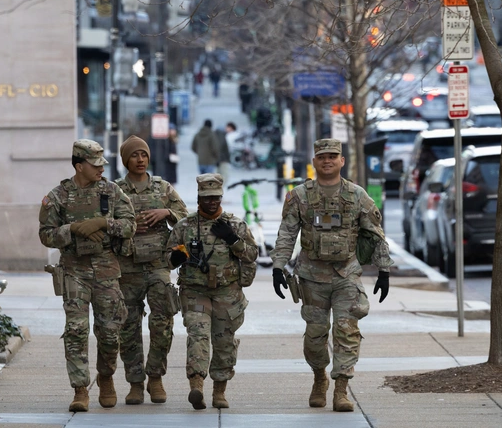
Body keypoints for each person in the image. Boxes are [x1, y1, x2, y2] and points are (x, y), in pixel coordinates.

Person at [270, 138, 393, 412]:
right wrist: (278, 266)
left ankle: (341, 389)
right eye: (322, 157)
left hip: (346, 275)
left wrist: (384, 270)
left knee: (347, 331)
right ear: (314, 161)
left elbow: (375, 233)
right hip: (312, 278)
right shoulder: (299, 196)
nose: (327, 161)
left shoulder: (357, 195)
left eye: (333, 156)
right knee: (315, 336)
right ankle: (319, 378)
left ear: (341, 161)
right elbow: (287, 233)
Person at [38, 139, 136, 412]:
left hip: (106, 270)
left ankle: (106, 376)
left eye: (102, 164)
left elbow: (130, 225)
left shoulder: (112, 192)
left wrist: (104, 223)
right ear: (79, 166)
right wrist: (72, 229)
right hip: (74, 271)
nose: (101, 169)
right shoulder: (58, 196)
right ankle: (80, 389)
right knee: (76, 331)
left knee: (110, 331)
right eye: (95, 165)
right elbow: (45, 235)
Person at [167, 174, 258, 410]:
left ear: (221, 197)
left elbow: (251, 255)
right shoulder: (184, 226)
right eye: (207, 198)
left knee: (224, 341)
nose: (211, 202)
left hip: (227, 293)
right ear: (199, 198)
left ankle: (219, 390)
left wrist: (233, 240)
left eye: (215, 197)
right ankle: (196, 385)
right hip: (195, 291)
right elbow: (166, 258)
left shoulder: (235, 225)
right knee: (198, 335)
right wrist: (176, 257)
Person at [113, 135, 188, 405]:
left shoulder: (163, 188)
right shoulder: (115, 191)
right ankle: (135, 382)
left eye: (144, 154)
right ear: (126, 160)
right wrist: (129, 225)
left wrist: (166, 213)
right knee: (128, 327)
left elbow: (187, 219)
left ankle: (155, 377)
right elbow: (105, 225)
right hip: (127, 267)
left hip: (158, 265)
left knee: (163, 322)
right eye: (134, 155)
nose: (140, 159)